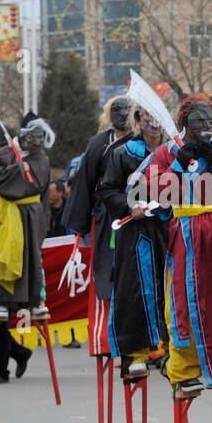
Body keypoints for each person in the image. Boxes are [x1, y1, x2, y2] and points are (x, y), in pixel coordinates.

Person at [143, 94, 212, 396]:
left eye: (209, 120)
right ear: (184, 122)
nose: (205, 126)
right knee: (184, 304)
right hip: (187, 236)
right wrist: (177, 165)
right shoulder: (166, 153)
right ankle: (184, 371)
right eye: (198, 120)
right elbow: (154, 191)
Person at [0, 112, 53, 384]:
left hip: (30, 220)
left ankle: (34, 305)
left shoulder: (41, 159)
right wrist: (16, 168)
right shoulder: (8, 154)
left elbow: (33, 187)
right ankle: (17, 353)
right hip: (7, 221)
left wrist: (42, 227)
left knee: (30, 270)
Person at [96, 105, 170, 377]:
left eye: (158, 119)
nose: (154, 124)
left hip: (165, 230)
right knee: (133, 290)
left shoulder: (174, 154)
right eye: (148, 118)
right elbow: (107, 190)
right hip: (134, 235)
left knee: (168, 287)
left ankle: (168, 351)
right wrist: (130, 207)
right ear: (138, 121)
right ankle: (133, 355)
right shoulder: (122, 154)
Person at [64, 95, 131, 359]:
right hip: (106, 219)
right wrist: (80, 227)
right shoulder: (98, 144)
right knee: (105, 276)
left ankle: (140, 341)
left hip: (137, 215)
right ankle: (104, 341)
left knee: (137, 275)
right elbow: (84, 185)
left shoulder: (142, 141)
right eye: (117, 110)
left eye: (127, 110)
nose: (122, 114)